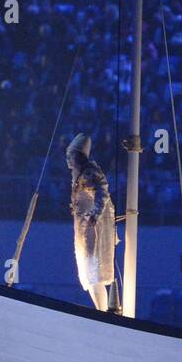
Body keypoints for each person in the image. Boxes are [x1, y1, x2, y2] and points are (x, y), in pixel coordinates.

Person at [66, 133, 118, 311]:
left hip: (91, 229)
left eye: (71, 155)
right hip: (83, 228)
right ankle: (100, 309)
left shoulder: (90, 173)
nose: (68, 159)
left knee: (93, 271)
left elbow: (102, 192)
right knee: (89, 274)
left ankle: (102, 311)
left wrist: (95, 214)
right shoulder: (79, 176)